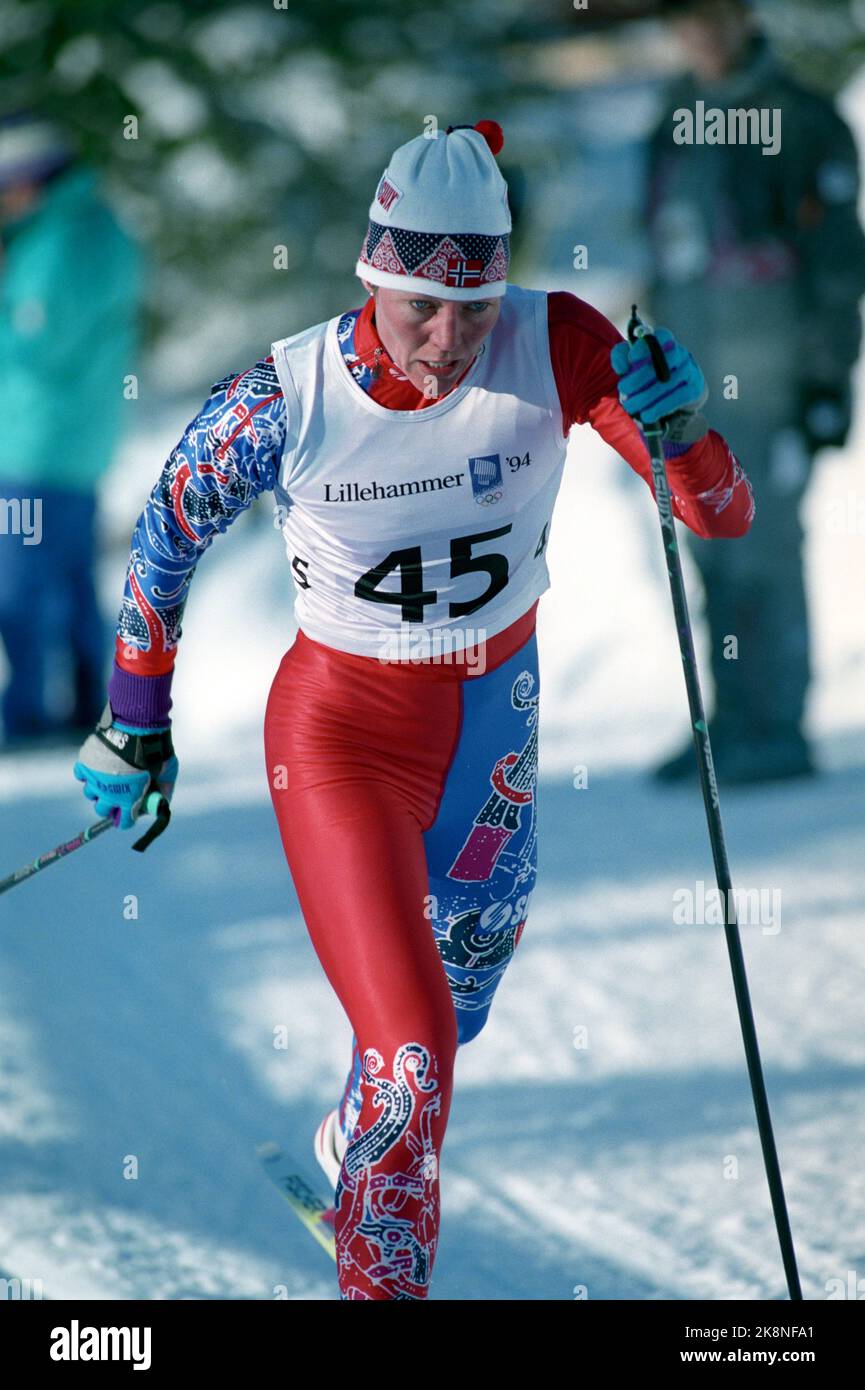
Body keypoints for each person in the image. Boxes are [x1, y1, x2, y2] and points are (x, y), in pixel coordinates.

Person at [72, 119, 754, 1300]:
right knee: (412, 1051)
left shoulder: (559, 342)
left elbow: (717, 518)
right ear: (371, 276)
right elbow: (164, 535)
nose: (446, 343)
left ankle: (364, 1143)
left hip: (495, 720)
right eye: (417, 309)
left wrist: (681, 427)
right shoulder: (287, 395)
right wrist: (137, 720)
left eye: (474, 309)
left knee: (459, 1001)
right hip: (343, 735)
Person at [645, 0, 865, 783]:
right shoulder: (673, 115)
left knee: (764, 547)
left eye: (713, 14)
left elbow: (838, 267)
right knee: (706, 546)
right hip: (688, 383)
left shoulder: (800, 118)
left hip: (774, 379)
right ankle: (726, 723)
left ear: (742, 15)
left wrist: (825, 384)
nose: (699, 32)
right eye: (684, 18)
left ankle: (775, 728)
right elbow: (659, 248)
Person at [0, 112, 145, 750]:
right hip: (70, 442)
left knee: (22, 582)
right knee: (67, 574)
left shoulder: (64, 240)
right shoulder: (92, 226)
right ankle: (88, 700)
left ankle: (31, 712)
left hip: (36, 444)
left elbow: (38, 344)